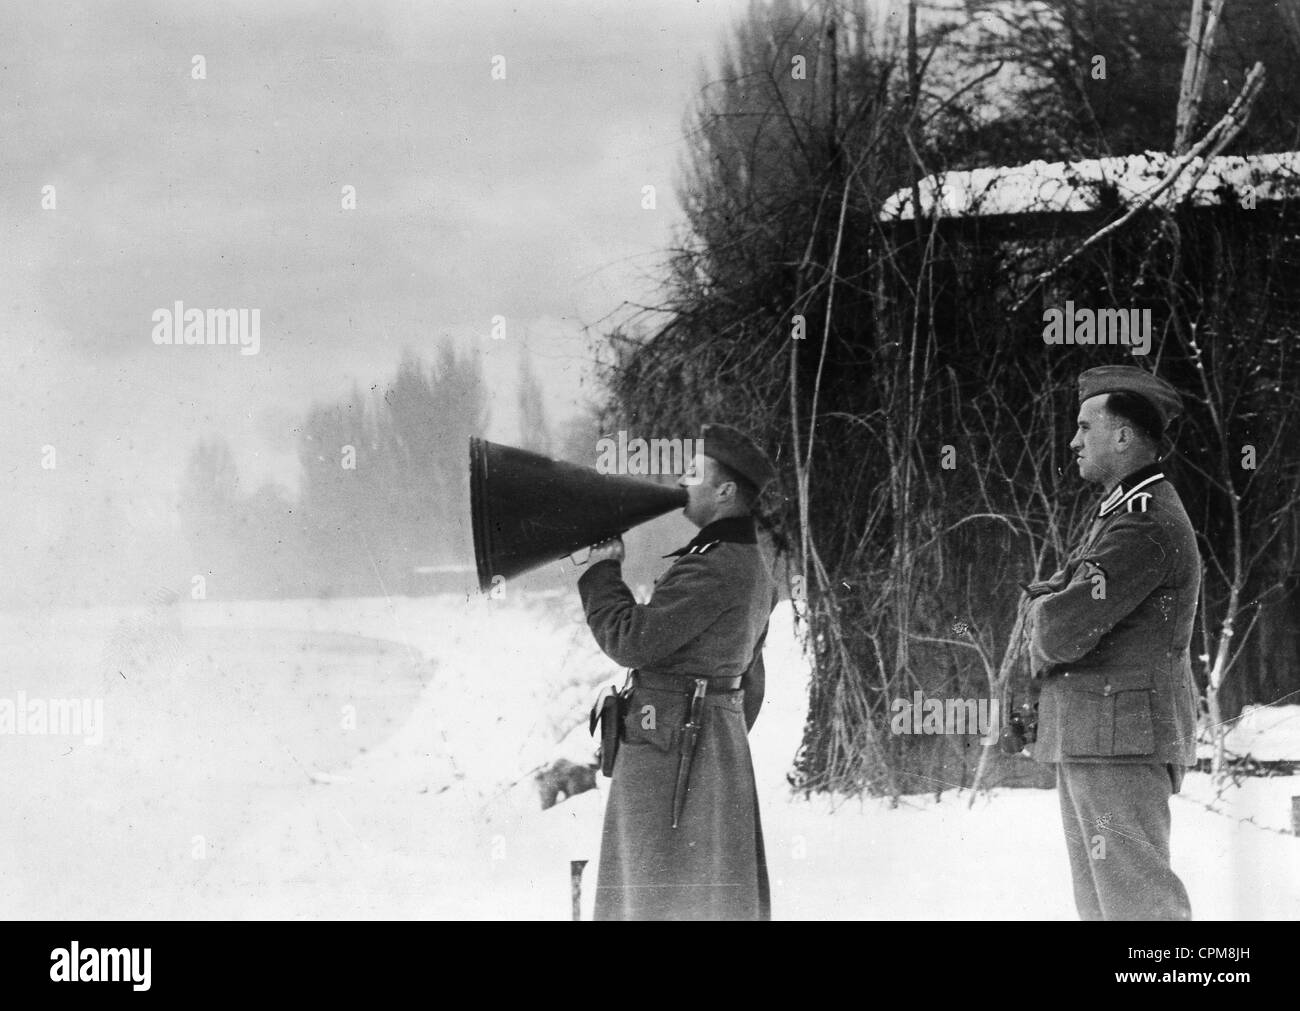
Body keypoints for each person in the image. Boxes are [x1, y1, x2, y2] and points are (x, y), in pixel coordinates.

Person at [577, 423, 778, 921]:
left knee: (653, 896)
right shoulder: (748, 561)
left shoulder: (715, 565)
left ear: (726, 490)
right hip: (704, 747)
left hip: (672, 754)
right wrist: (716, 731)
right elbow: (751, 679)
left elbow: (629, 640)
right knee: (702, 897)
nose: (682, 484)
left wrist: (602, 570)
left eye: (695, 474)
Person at [1024, 365, 1200, 920]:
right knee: (1107, 908)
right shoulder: (1124, 511)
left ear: (1123, 436)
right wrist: (1051, 601)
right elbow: (1066, 598)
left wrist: (1041, 609)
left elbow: (1060, 626)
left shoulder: (1143, 524)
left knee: (1138, 909)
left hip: (1119, 738)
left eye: (1084, 427)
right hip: (1103, 735)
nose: (1073, 441)